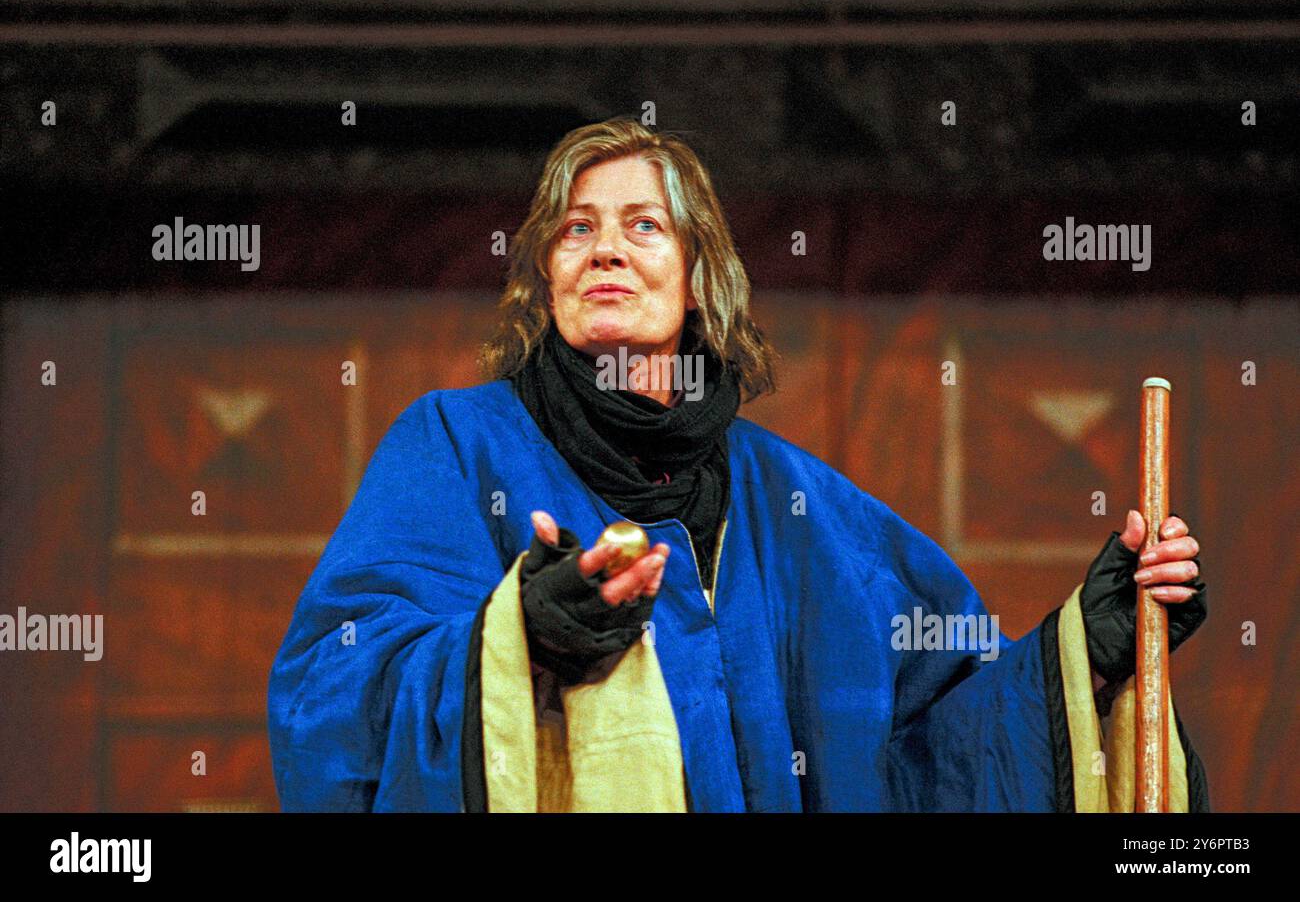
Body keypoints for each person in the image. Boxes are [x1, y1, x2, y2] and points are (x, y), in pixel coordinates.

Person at [267, 117, 1208, 812]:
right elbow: (329, 697)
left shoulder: (805, 506)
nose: (604, 251)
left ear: (699, 272)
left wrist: (1089, 650)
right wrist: (515, 647)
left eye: (643, 226)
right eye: (575, 228)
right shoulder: (455, 447)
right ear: (542, 274)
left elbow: (939, 748)